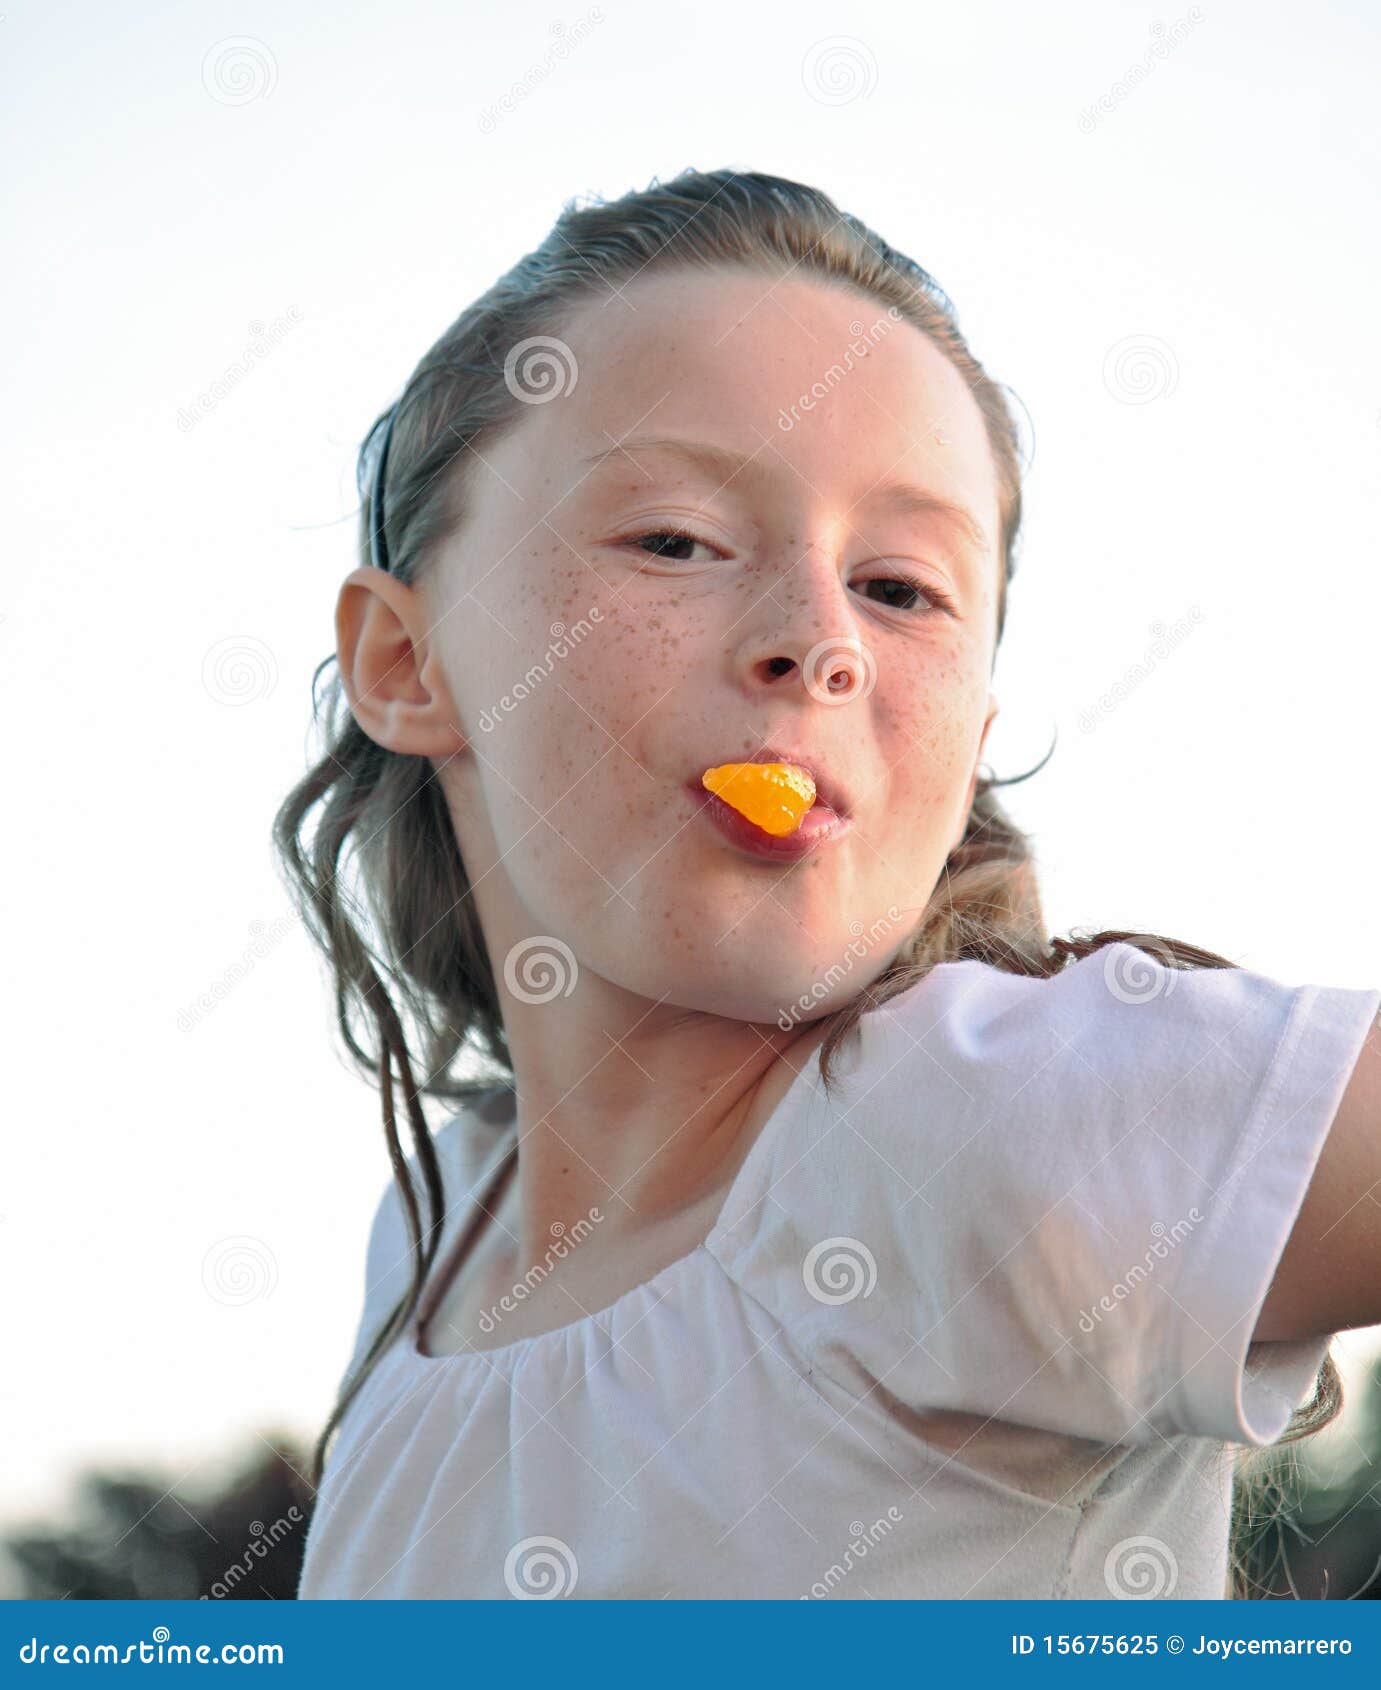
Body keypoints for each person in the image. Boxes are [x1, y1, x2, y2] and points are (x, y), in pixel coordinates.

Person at [274, 167, 1381, 1600]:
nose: (818, 638)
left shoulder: (978, 1112)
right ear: (403, 662)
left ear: (971, 732)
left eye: (901, 588)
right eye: (674, 541)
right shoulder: (432, 1228)